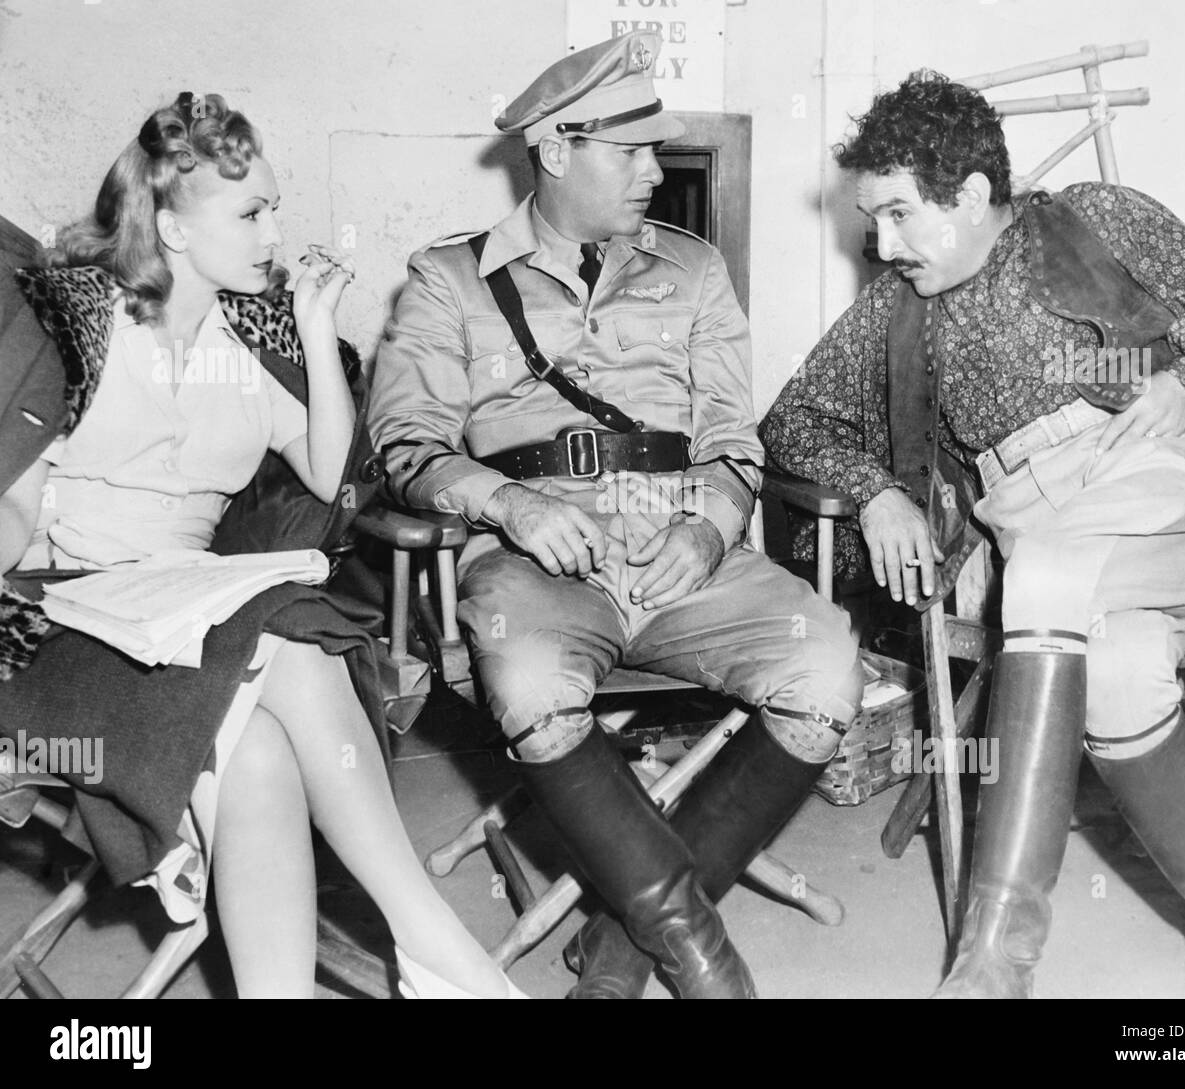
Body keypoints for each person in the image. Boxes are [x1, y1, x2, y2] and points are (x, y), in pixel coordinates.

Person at [760, 71, 1185, 999]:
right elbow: (794, 419)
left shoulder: (1088, 217)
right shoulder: (900, 304)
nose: (882, 244)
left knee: (1042, 573)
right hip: (1050, 538)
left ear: (970, 196)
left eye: (898, 214)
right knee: (1117, 682)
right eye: (869, 219)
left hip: (1178, 492)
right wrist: (878, 491)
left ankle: (989, 971)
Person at [369, 31, 865, 999]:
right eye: (628, 150)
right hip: (536, 559)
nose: (654, 169)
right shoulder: (448, 280)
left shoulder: (692, 269)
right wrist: (505, 503)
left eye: (657, 149)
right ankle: (700, 959)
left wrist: (711, 522)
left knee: (827, 659)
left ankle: (615, 950)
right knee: (525, 673)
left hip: (686, 550)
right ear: (554, 147)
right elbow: (405, 450)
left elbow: (733, 434)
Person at [0, 92, 522, 999]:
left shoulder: (252, 338)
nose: (275, 230)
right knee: (290, 639)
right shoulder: (75, 324)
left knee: (261, 759)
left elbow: (331, 473)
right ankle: (436, 946)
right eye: (251, 212)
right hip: (66, 624)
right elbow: (13, 511)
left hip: (189, 607)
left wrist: (317, 334)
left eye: (274, 205)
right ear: (169, 225)